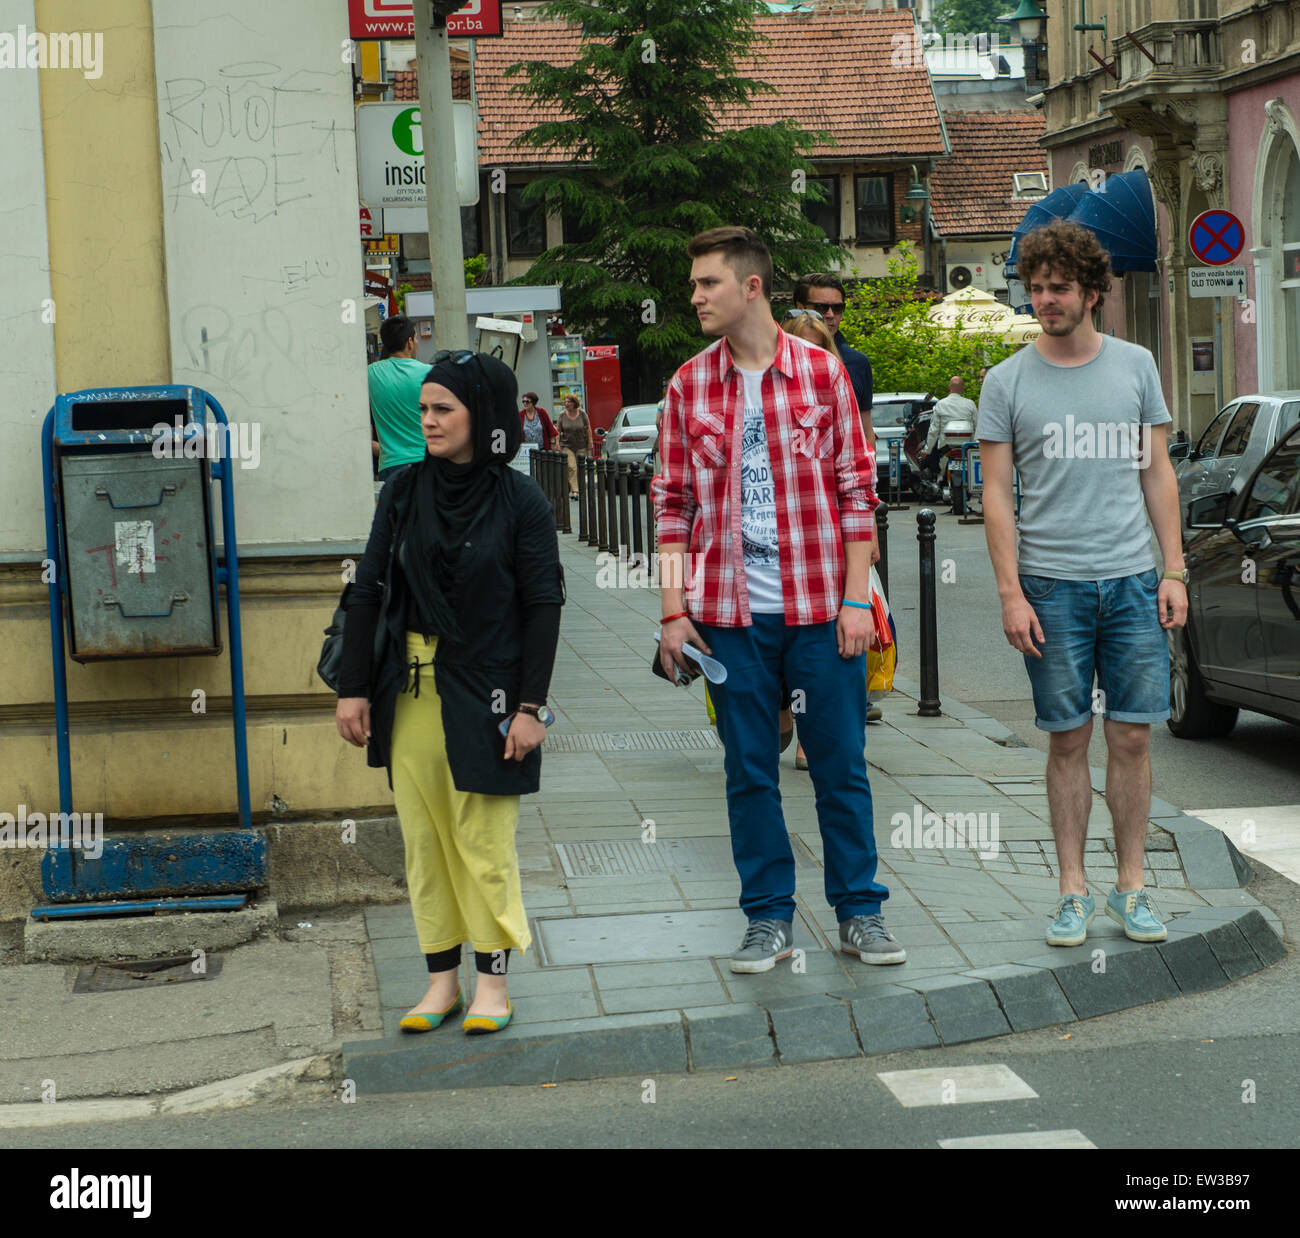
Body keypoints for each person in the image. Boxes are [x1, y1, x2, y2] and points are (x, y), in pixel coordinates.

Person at [653, 225, 906, 973]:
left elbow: (859, 492)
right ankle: (767, 919)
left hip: (823, 609)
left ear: (750, 287)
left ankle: (860, 911)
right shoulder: (688, 384)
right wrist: (674, 611)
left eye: (708, 284)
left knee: (841, 764)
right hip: (731, 616)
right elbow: (671, 505)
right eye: (695, 284)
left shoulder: (822, 376)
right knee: (749, 771)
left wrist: (858, 602)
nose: (695, 296)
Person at [335, 350, 565, 1033]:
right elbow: (368, 589)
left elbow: (543, 605)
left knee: (482, 840)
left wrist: (530, 708)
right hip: (408, 693)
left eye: (444, 409)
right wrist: (353, 690)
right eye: (424, 409)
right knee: (424, 840)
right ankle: (441, 983)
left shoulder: (521, 499)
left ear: (484, 416)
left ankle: (491, 984)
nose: (428, 421)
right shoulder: (403, 491)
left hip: (489, 693)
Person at [978, 218, 1185, 950]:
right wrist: (1010, 592)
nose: (1045, 300)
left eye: (1059, 288)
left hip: (1131, 580)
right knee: (1067, 740)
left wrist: (1174, 569)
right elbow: (996, 494)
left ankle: (1131, 887)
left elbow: (1156, 471)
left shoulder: (1135, 367)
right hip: (1052, 586)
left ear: (1092, 291)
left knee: (1130, 737)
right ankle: (1072, 889)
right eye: (1035, 289)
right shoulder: (1005, 380)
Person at [777, 309, 885, 761]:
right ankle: (785, 711)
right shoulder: (771, 390)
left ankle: (813, 731)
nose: (813, 355)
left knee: (835, 636)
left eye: (820, 346)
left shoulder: (846, 373)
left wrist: (870, 529)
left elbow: (864, 443)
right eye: (804, 344)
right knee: (787, 637)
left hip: (838, 532)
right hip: (788, 542)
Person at [793, 273, 875, 437]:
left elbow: (865, 430)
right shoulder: (778, 359)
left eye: (837, 308)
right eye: (821, 308)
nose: (830, 314)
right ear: (800, 307)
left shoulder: (858, 363)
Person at [368, 316, 431, 482]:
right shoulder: (430, 373)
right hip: (427, 462)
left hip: (390, 468)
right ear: (410, 342)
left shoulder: (370, 373)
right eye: (416, 338)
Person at [922, 375, 979, 484]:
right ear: (962, 388)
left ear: (949, 387)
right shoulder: (970, 404)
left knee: (931, 460)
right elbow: (977, 426)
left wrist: (927, 450)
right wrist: (976, 444)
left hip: (945, 447)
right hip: (967, 446)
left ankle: (939, 477)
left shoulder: (941, 404)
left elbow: (934, 430)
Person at [556, 395, 593, 500]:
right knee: (572, 467)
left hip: (581, 445)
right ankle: (575, 491)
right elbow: (558, 430)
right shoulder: (562, 415)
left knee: (580, 468)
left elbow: (588, 428)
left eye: (569, 402)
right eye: (565, 402)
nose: (566, 404)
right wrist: (557, 443)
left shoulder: (582, 414)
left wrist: (590, 441)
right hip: (567, 445)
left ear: (574, 403)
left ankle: (579, 488)